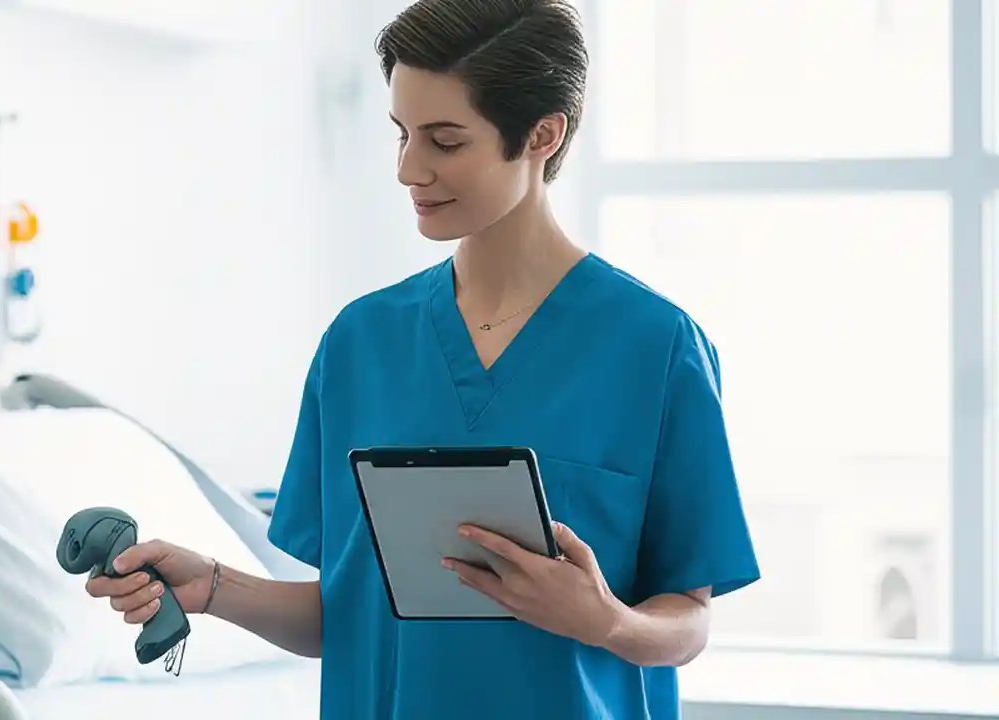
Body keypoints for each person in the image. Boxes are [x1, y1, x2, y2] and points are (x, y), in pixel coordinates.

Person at [87, 0, 761, 717]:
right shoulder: (359, 345)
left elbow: (687, 619)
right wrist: (214, 587)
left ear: (541, 135)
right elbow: (349, 615)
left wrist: (604, 619)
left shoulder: (654, 348)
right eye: (402, 134)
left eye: (444, 140)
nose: (410, 168)